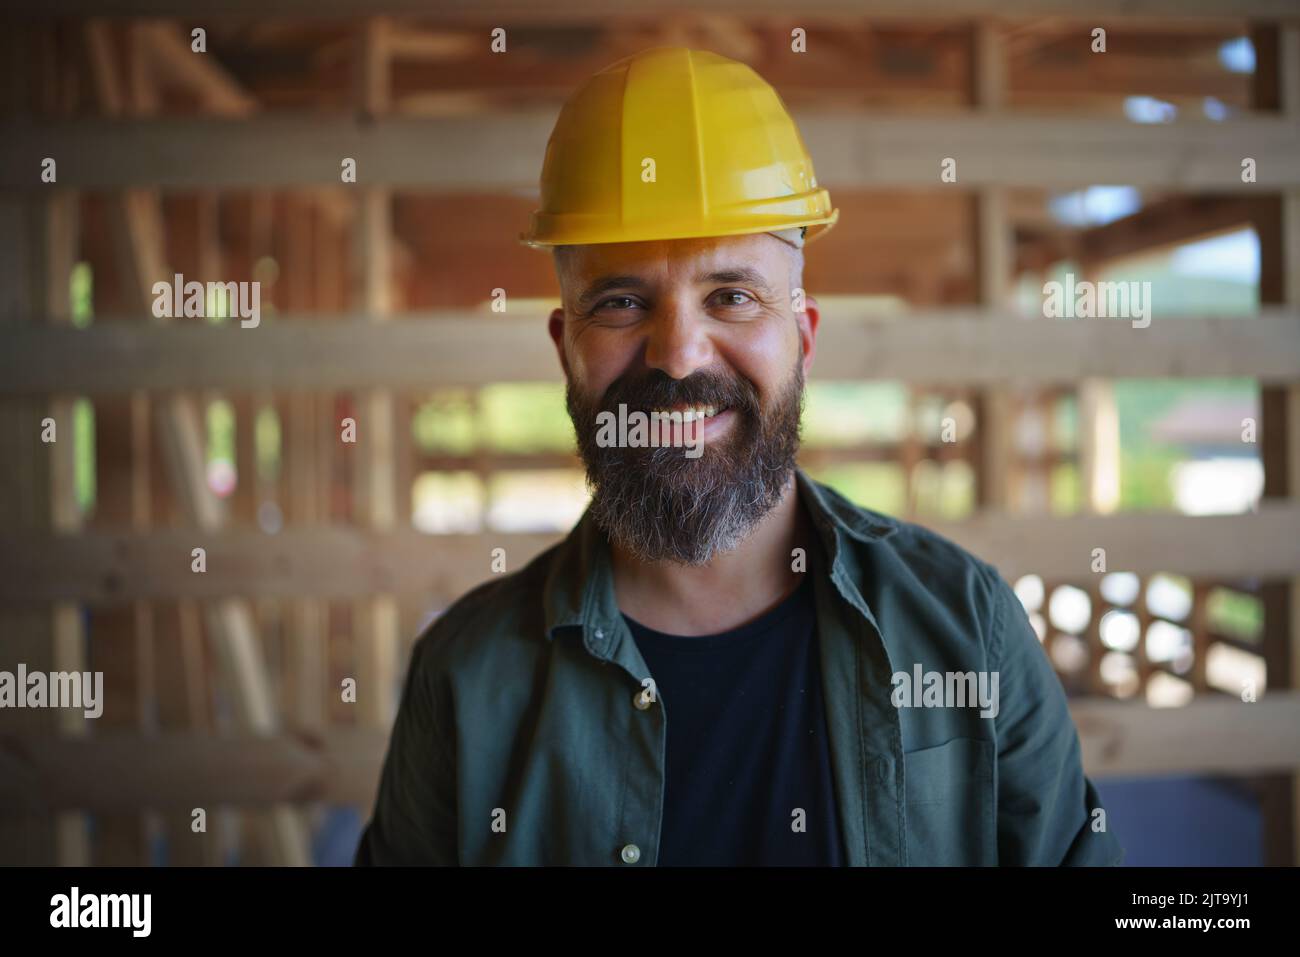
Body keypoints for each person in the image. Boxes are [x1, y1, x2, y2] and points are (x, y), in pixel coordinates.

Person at [355, 46, 1122, 867]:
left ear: (803, 337)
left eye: (732, 295)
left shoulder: (967, 628)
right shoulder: (466, 679)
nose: (678, 355)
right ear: (565, 346)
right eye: (621, 301)